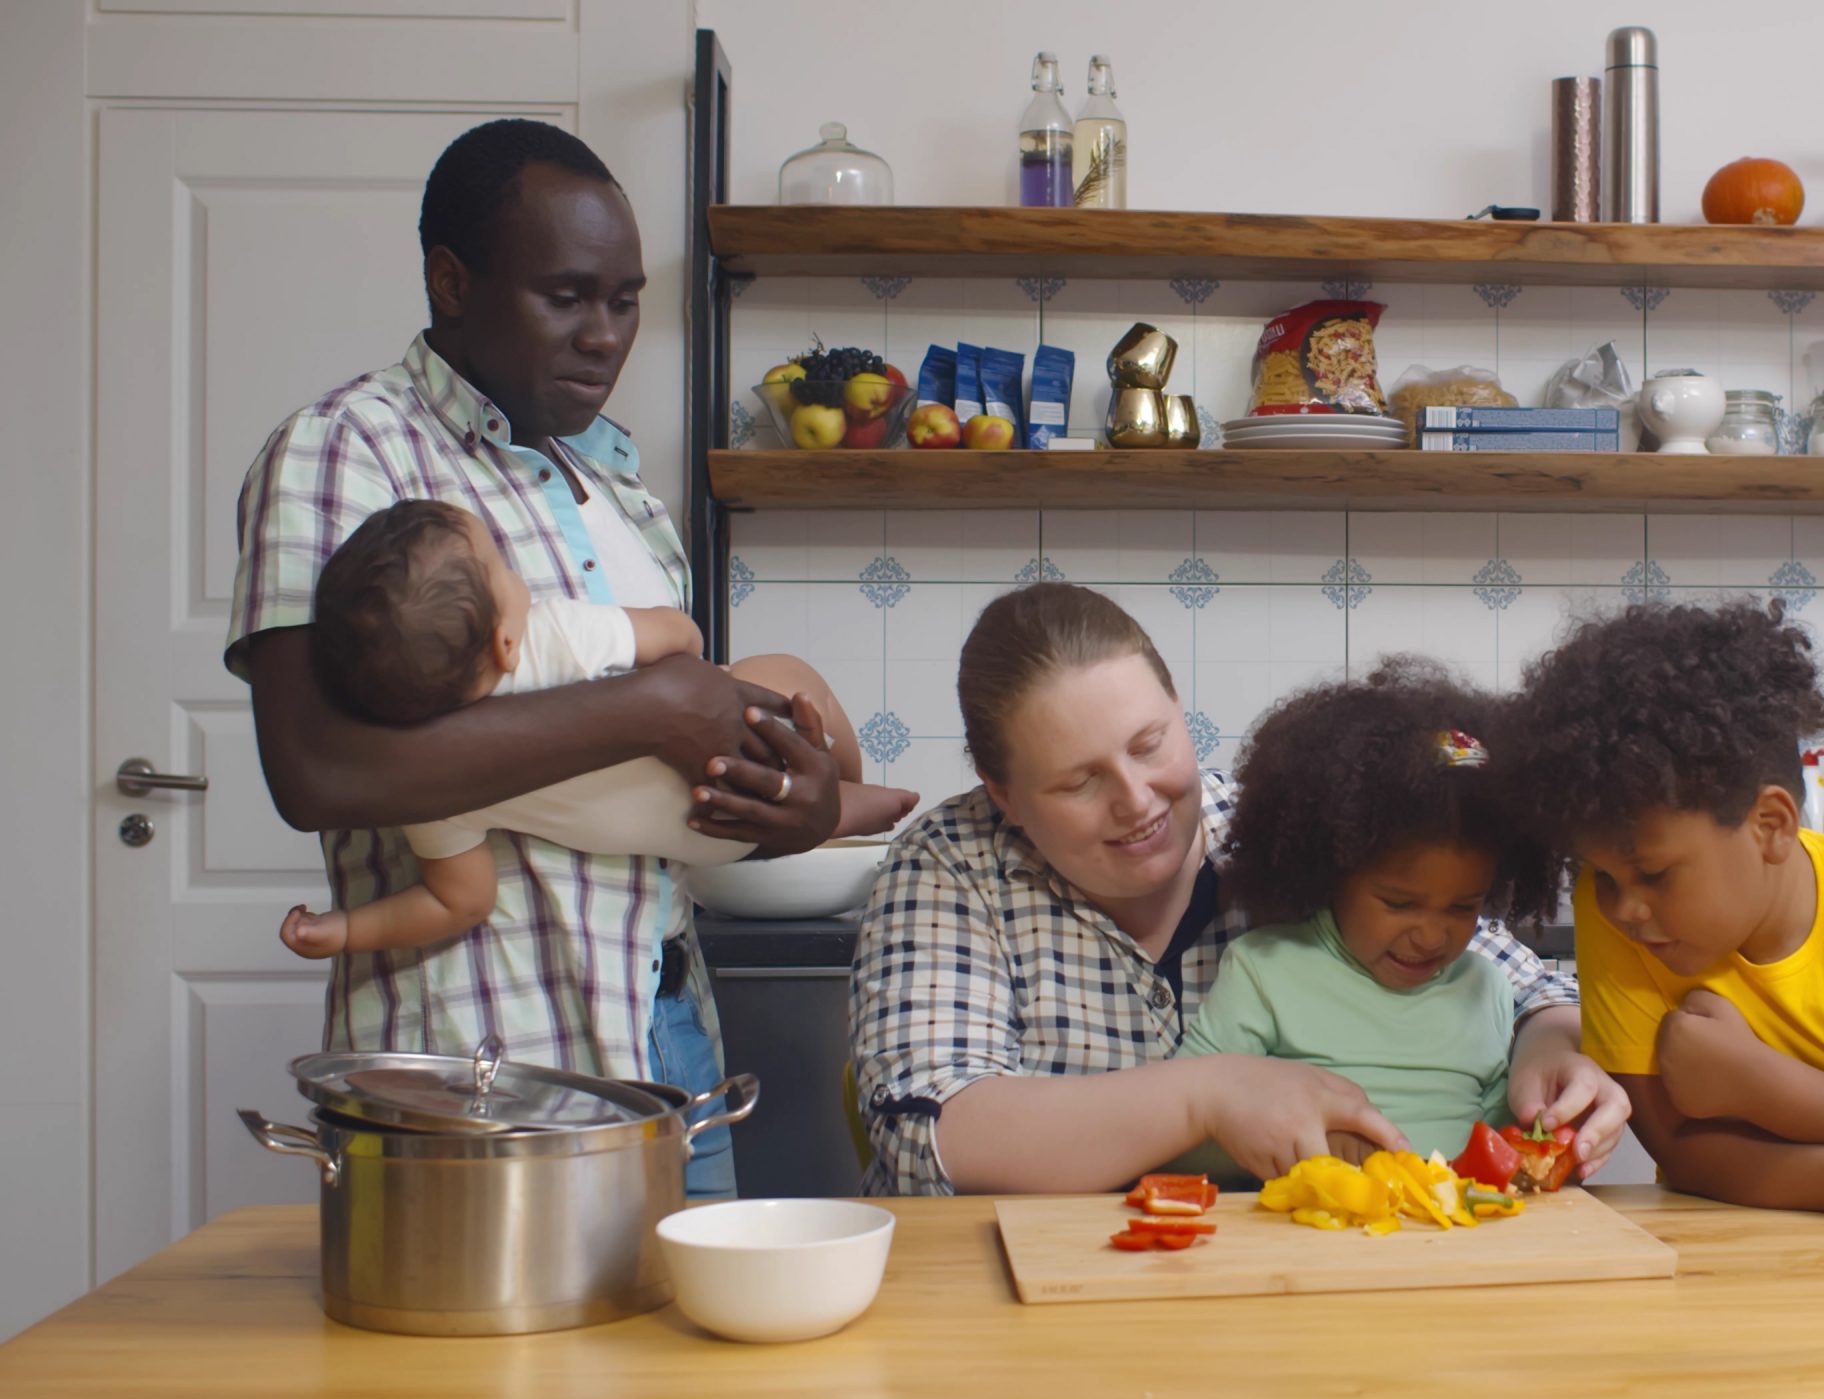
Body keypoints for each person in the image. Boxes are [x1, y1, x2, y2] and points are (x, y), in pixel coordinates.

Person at [228, 119, 841, 1198]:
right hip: (476, 1071)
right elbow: (316, 768)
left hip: (671, 1042)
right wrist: (649, 707)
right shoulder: (346, 448)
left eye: (624, 300)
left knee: (696, 1319)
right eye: (566, 297)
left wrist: (798, 808)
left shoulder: (620, 490)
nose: (604, 336)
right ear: (451, 281)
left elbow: (661, 785)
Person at [849, 584, 1627, 1195]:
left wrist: (1553, 1053)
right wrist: (1208, 1095)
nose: (1137, 801)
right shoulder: (949, 865)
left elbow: (1521, 985)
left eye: (1150, 744)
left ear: (1179, 711)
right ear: (1004, 795)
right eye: (1079, 782)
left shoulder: (1301, 829)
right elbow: (930, 1135)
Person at [1496, 598, 1824, 1220]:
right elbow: (1684, 1154)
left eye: (1655, 874)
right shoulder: (1619, 912)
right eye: (1601, 874)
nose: (1625, 907)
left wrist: (1757, 1084)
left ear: (1770, 825)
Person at [275, 499, 916, 959]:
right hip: (751, 746)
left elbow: (459, 902)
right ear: (503, 640)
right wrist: (665, 639)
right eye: (501, 566)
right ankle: (846, 786)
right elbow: (682, 636)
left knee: (768, 785)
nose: (514, 574)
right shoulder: (554, 636)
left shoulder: (430, 791)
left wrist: (348, 930)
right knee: (784, 672)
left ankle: (846, 809)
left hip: (710, 840)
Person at [1175, 660, 1627, 1173]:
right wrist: (1307, 1143)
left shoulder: (1487, 988)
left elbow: (1506, 1139)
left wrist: (1556, 1131)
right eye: (1399, 903)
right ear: (1332, 871)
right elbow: (1182, 1138)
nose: (1432, 935)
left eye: (1463, 907)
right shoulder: (1264, 969)